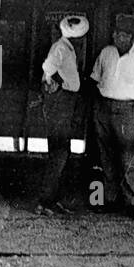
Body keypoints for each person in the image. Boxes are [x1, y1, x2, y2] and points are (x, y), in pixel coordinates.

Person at [90, 19, 134, 218]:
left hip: (127, 110)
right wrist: (97, 107)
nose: (116, 37)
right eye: (115, 34)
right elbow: (95, 79)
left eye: (122, 34)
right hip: (103, 108)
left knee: (127, 157)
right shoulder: (106, 53)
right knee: (106, 155)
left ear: (131, 37)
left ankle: (132, 204)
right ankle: (109, 200)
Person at [35, 15, 88, 216]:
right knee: (59, 153)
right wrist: (54, 81)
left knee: (61, 151)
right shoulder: (61, 48)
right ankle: (45, 200)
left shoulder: (66, 48)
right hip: (61, 101)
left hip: (65, 100)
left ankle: (52, 200)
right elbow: (47, 67)